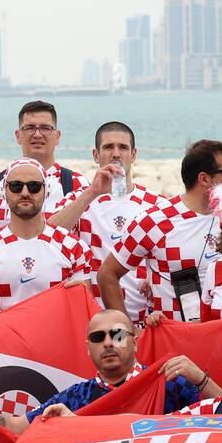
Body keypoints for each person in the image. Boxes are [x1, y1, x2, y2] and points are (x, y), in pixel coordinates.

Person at [0, 309, 222, 431]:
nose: (108, 342)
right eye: (98, 337)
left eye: (118, 334)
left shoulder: (170, 382)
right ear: (88, 348)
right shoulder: (76, 396)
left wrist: (202, 379)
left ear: (135, 342)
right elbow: (17, 426)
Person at [98, 140, 222, 323]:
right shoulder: (155, 221)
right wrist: (126, 331)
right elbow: (107, 274)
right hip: (173, 339)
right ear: (204, 179)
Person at [46, 121, 160, 319]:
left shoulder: (154, 204)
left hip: (145, 315)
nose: (116, 153)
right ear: (96, 155)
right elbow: (47, 236)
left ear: (133, 155)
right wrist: (92, 192)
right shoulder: (79, 199)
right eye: (108, 147)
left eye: (123, 147)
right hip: (95, 317)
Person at [0, 158, 94, 315]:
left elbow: (82, 311)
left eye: (34, 186)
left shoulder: (73, 247)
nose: (25, 193)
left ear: (47, 192)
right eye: (16, 186)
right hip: (0, 338)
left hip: (54, 338)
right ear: (4, 192)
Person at [0, 100, 86, 222]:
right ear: (18, 136)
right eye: (30, 128)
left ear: (57, 136)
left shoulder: (77, 185)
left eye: (45, 128)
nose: (37, 134)